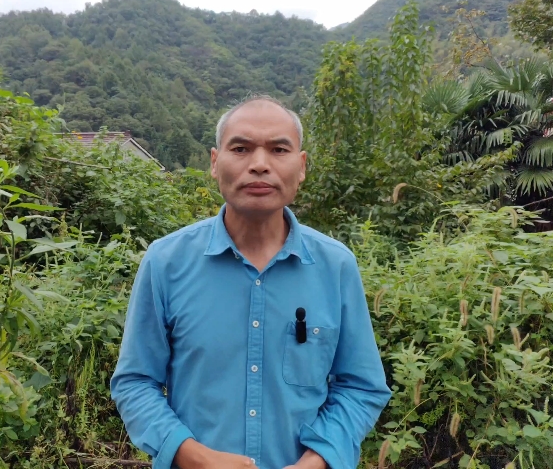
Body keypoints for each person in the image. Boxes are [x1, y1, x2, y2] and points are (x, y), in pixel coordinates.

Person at [110, 95, 391, 469]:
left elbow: (361, 386)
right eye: (241, 149)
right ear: (215, 162)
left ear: (301, 166)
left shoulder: (335, 266)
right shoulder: (166, 262)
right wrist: (194, 456)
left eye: (278, 150)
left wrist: (320, 459)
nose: (259, 164)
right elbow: (135, 382)